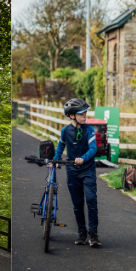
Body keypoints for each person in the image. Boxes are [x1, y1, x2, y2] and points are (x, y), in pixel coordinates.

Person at [53, 98, 101, 248]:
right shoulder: (65, 131)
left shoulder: (89, 129)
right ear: (72, 115)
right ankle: (82, 233)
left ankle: (93, 234)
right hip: (72, 171)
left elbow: (93, 149)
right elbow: (60, 147)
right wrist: (55, 160)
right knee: (77, 204)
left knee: (91, 200)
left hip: (87, 169)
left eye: (85, 113)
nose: (85, 116)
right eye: (81, 113)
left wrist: (83, 158)